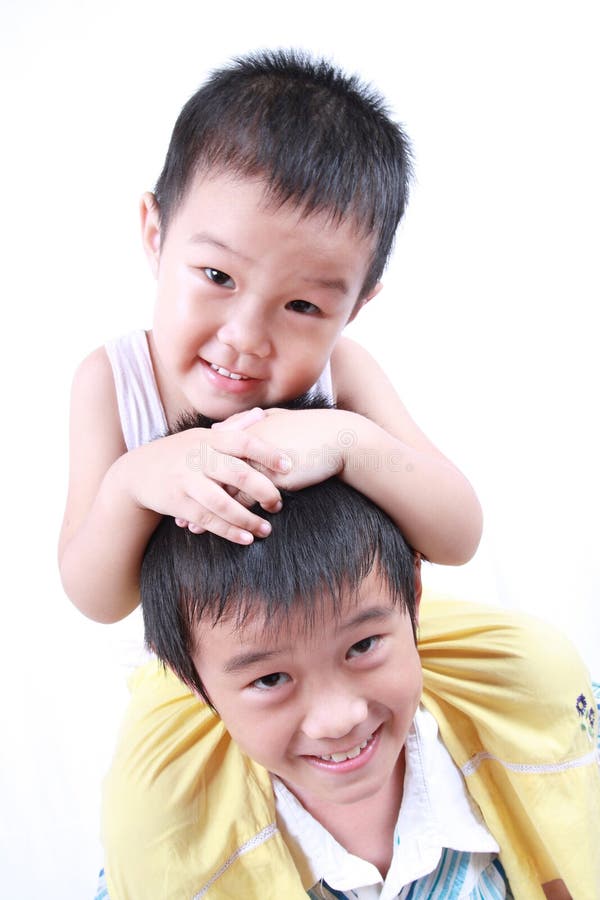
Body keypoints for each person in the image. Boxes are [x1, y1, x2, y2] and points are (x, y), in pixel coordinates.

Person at [55, 50, 596, 897]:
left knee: (537, 672)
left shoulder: (344, 374)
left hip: (360, 626)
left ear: (357, 303)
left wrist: (349, 441)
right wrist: (137, 479)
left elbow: (457, 530)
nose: (246, 334)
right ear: (155, 234)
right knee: (148, 816)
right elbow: (94, 592)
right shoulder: (113, 380)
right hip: (216, 678)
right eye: (217, 276)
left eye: (304, 304)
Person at [103, 460, 599, 898]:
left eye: (362, 647)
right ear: (192, 681)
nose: (338, 720)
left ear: (414, 595)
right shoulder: (162, 847)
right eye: (271, 679)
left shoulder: (531, 728)